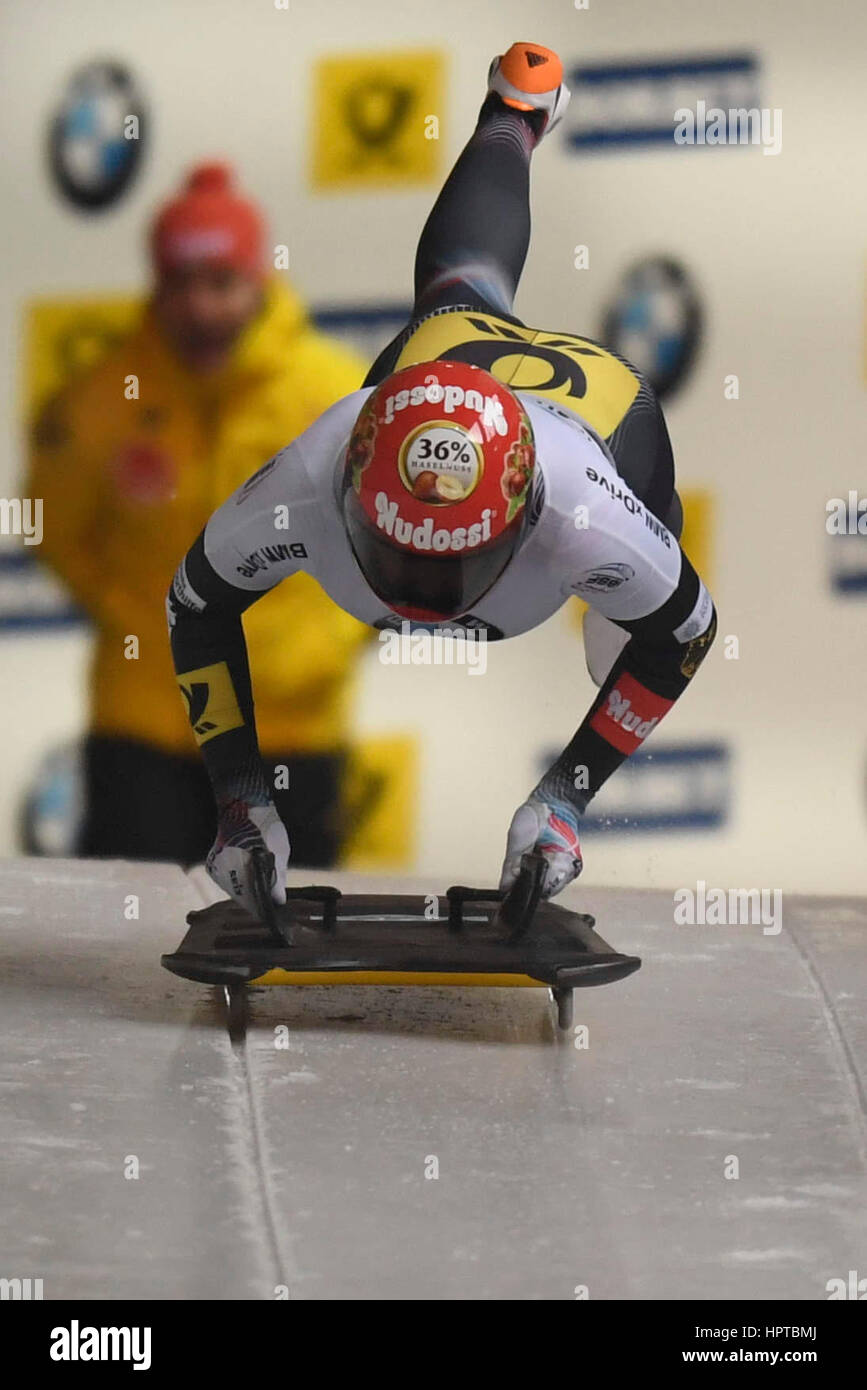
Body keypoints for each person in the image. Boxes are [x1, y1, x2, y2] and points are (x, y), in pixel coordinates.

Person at [167, 44, 717, 916]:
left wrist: (562, 802)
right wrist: (239, 801)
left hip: (607, 415)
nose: (425, 597)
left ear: (526, 518)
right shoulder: (318, 462)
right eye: (400, 558)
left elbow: (685, 634)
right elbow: (193, 604)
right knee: (458, 295)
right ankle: (511, 116)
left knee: (623, 642)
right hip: (451, 360)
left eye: (445, 569)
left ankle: (512, 119)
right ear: (351, 486)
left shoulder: (584, 511)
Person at [28, 162, 369, 866]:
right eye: (180, 284)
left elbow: (387, 537)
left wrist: (332, 639)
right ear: (156, 284)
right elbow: (50, 525)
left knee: (290, 951)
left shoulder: (334, 395)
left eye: (221, 282)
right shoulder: (102, 396)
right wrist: (126, 611)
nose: (201, 307)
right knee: (130, 951)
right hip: (143, 726)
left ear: (258, 279)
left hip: (291, 724)